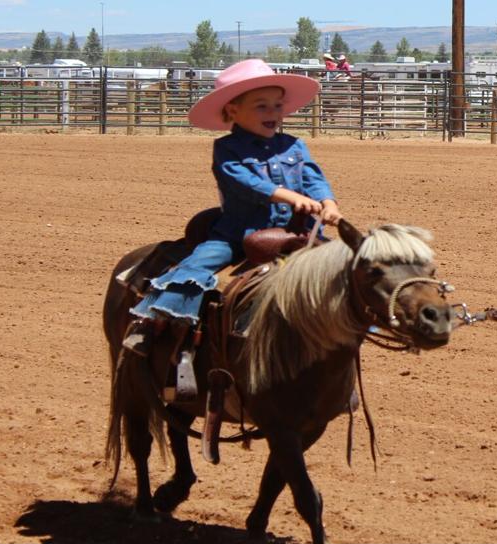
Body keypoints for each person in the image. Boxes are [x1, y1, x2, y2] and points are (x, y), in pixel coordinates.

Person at [124, 60, 343, 396]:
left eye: (277, 105)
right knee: (199, 266)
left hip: (297, 231)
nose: (273, 112)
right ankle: (151, 322)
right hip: (238, 231)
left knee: (343, 272)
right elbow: (243, 182)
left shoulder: (295, 145)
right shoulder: (226, 149)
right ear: (233, 110)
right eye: (261, 106)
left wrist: (327, 203)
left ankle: (341, 344)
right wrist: (287, 195)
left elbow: (314, 177)